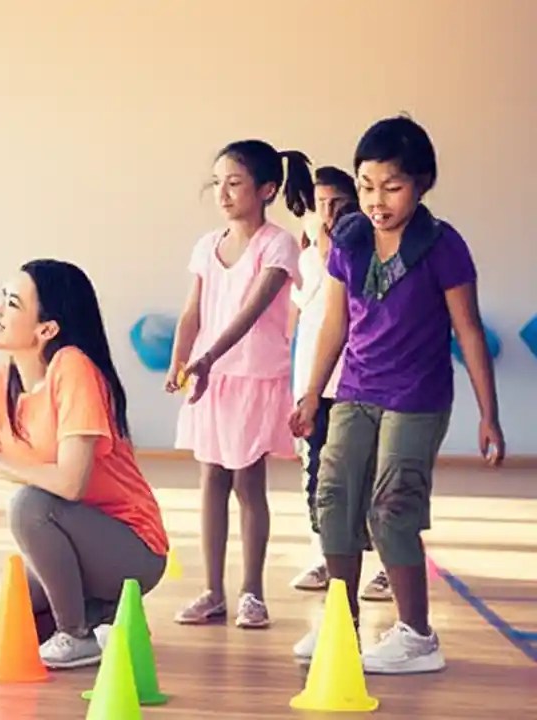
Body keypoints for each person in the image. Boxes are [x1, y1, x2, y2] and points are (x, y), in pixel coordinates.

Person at [289, 115, 504, 673]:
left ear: (422, 182)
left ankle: (417, 636)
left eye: (392, 186)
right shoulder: (351, 239)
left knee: (392, 507)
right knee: (332, 498)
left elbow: (470, 330)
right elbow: (335, 322)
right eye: (365, 185)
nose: (376, 200)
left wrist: (489, 416)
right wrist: (313, 392)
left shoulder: (442, 245)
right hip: (356, 389)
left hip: (416, 397)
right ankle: (342, 623)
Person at [0, 260, 169, 669]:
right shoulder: (3, 383)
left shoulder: (73, 367)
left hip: (133, 550)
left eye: (11, 303)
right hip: (71, 547)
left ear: (46, 329)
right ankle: (105, 611)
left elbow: (70, 485)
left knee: (29, 505)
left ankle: (75, 634)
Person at [167, 140, 312, 629]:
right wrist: (180, 358)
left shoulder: (278, 244)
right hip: (210, 378)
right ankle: (213, 591)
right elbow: (193, 310)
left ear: (267, 189)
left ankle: (252, 592)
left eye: (235, 183)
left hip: (252, 377)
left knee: (249, 483)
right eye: (218, 183)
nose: (223, 193)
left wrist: (206, 356)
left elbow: (251, 311)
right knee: (211, 480)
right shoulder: (206, 246)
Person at [288, 167, 391, 602]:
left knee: (368, 479)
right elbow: (305, 321)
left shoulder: (357, 249)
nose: (328, 212)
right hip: (317, 385)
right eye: (320, 203)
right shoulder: (307, 254)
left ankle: (384, 564)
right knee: (320, 479)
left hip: (356, 385)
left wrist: (323, 237)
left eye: (338, 203)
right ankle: (327, 557)